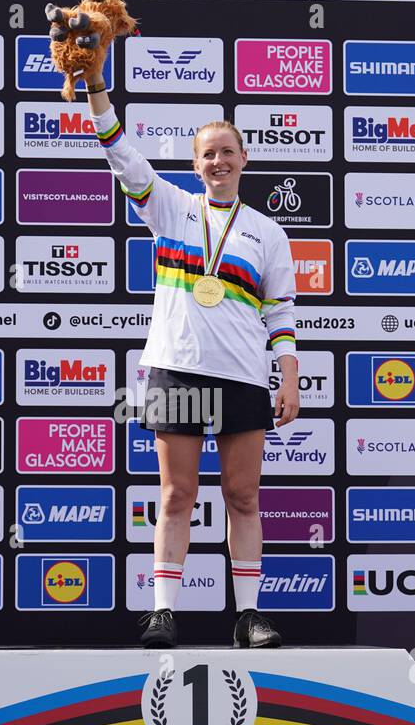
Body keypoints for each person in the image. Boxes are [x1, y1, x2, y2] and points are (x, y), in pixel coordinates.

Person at [84, 65, 300, 650]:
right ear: (196, 163)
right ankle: (163, 612)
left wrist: (289, 377)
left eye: (228, 152)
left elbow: (280, 313)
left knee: (243, 496)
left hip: (242, 374)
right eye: (208, 154)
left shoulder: (267, 232)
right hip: (175, 366)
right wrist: (96, 89)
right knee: (177, 494)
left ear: (244, 159)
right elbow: (120, 153)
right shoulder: (171, 210)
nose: (218, 162)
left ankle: (249, 615)